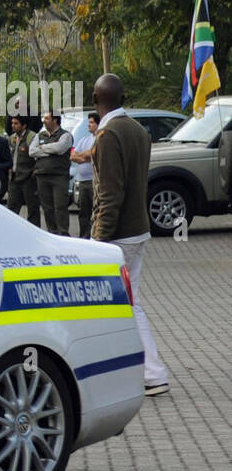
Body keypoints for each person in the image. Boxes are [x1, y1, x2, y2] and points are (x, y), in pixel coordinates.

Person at [91, 74, 170, 396]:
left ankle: (150, 373)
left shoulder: (109, 135)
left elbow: (110, 194)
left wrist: (97, 241)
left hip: (117, 235)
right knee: (129, 304)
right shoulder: (138, 131)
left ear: (97, 100)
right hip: (138, 230)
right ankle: (146, 372)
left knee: (117, 306)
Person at [30, 112, 73, 235]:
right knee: (47, 208)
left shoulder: (65, 136)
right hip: (42, 176)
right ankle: (52, 233)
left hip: (59, 176)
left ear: (55, 120)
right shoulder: (40, 135)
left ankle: (63, 233)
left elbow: (59, 149)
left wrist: (42, 148)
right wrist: (51, 150)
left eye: (47, 118)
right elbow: (32, 151)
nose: (44, 121)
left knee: (60, 207)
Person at [7, 112, 40, 227]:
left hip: (28, 180)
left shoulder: (32, 137)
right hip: (14, 178)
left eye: (16, 123)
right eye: (12, 123)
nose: (13, 126)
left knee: (32, 209)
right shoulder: (12, 138)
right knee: (11, 209)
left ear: (24, 125)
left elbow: (38, 158)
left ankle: (34, 233)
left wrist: (33, 174)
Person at [70, 112, 99, 238]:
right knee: (83, 211)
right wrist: (85, 157)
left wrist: (85, 156)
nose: (89, 125)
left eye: (92, 122)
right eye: (89, 122)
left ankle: (96, 235)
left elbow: (92, 154)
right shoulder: (84, 139)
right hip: (82, 181)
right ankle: (84, 236)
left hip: (94, 181)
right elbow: (73, 156)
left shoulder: (100, 139)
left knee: (96, 210)